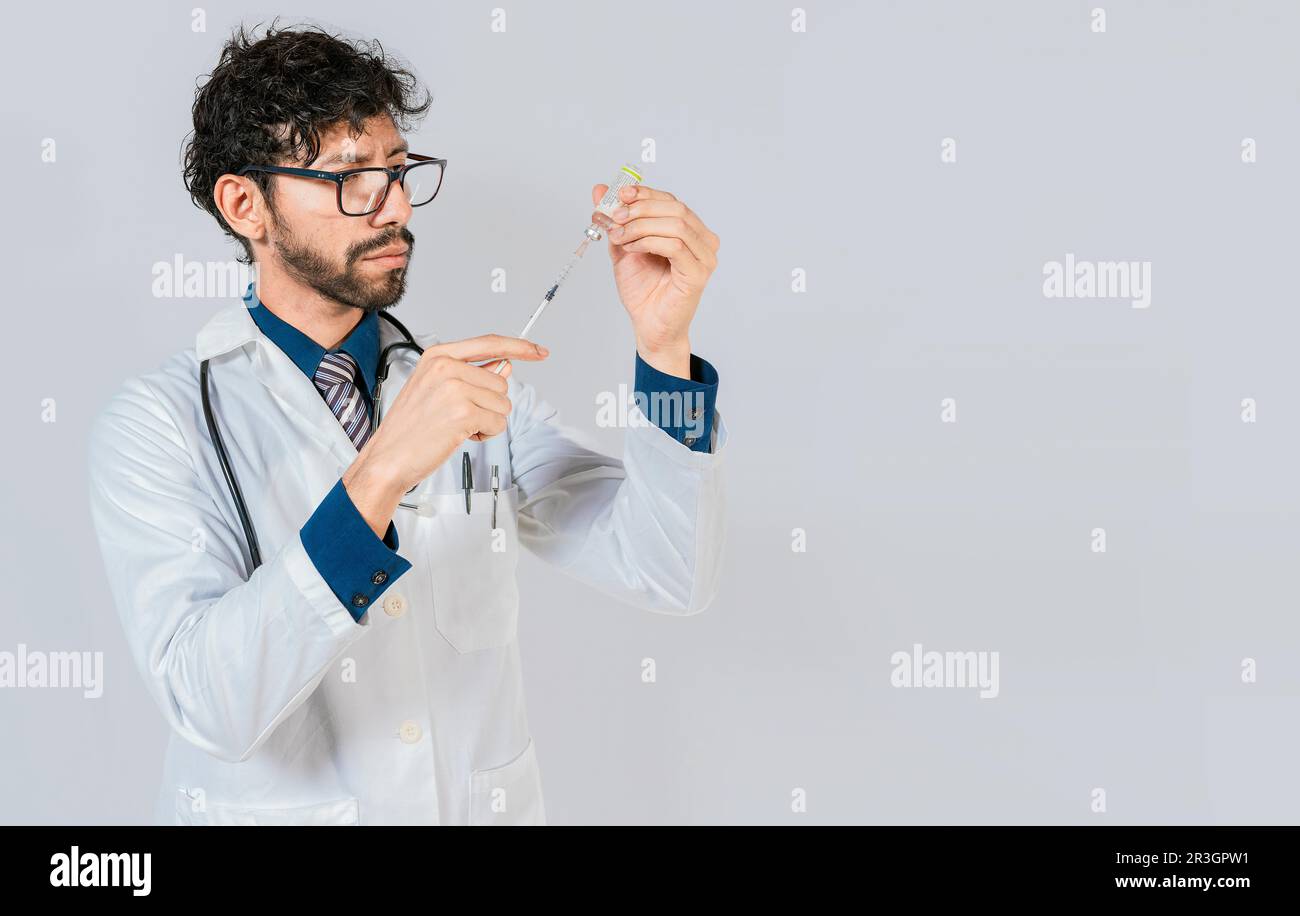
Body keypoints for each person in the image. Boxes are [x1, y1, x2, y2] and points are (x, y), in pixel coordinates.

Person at [86, 23, 727, 825]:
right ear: (245, 203)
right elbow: (212, 706)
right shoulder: (159, 426)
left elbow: (667, 570)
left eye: (398, 171)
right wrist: (381, 471)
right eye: (353, 178)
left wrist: (664, 350)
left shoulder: (469, 399)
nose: (394, 206)